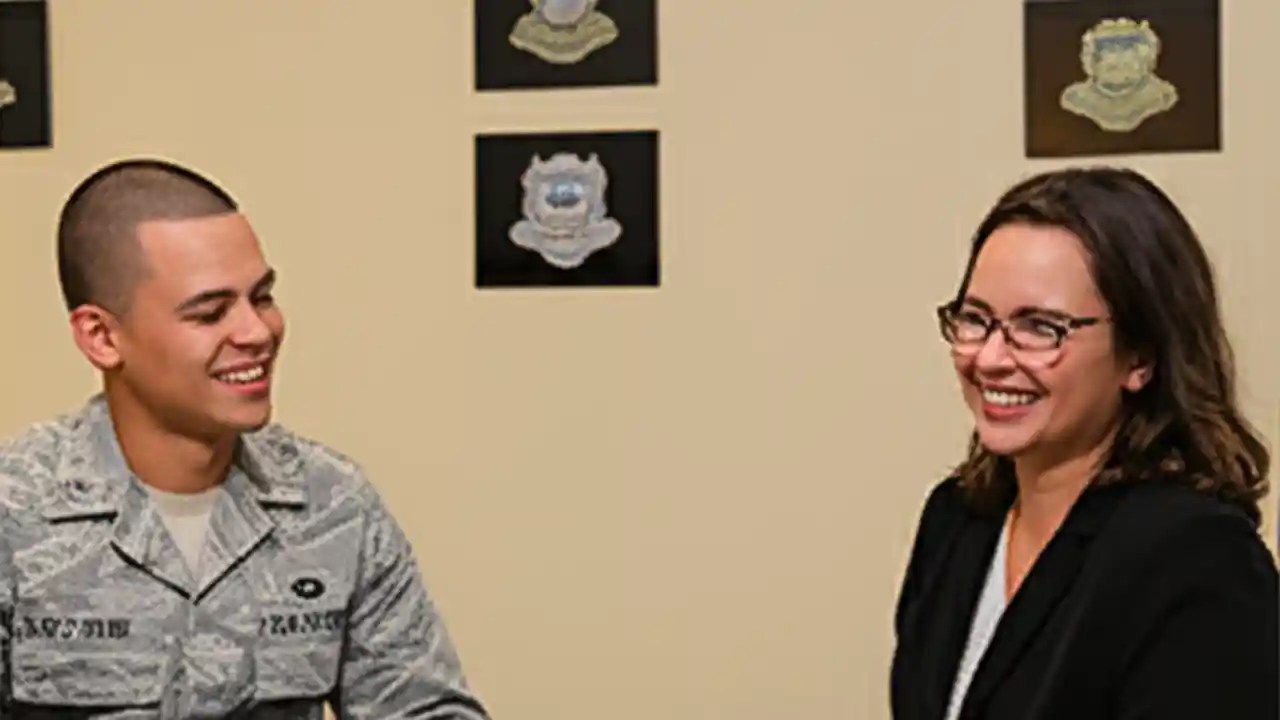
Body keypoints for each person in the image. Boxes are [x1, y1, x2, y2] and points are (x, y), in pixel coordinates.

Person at [0, 158, 490, 719]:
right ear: (102, 337)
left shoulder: (331, 504)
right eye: (210, 313)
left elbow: (424, 709)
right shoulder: (14, 512)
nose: (257, 333)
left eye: (261, 298)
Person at [889, 167, 1278, 719]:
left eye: (1041, 327)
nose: (992, 358)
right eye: (976, 319)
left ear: (1140, 356)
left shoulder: (1198, 557)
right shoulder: (956, 519)